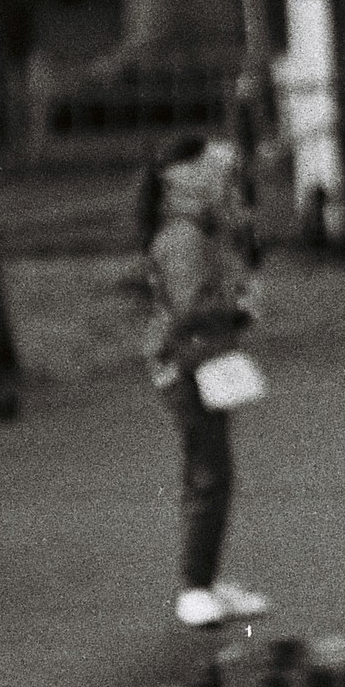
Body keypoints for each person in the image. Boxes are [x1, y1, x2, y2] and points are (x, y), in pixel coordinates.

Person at [139, 131, 270, 629]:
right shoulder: (182, 236)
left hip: (201, 359)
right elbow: (190, 304)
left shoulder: (200, 227)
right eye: (214, 171)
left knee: (214, 470)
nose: (224, 178)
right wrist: (239, 306)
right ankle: (194, 588)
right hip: (185, 363)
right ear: (183, 179)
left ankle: (207, 581)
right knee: (208, 473)